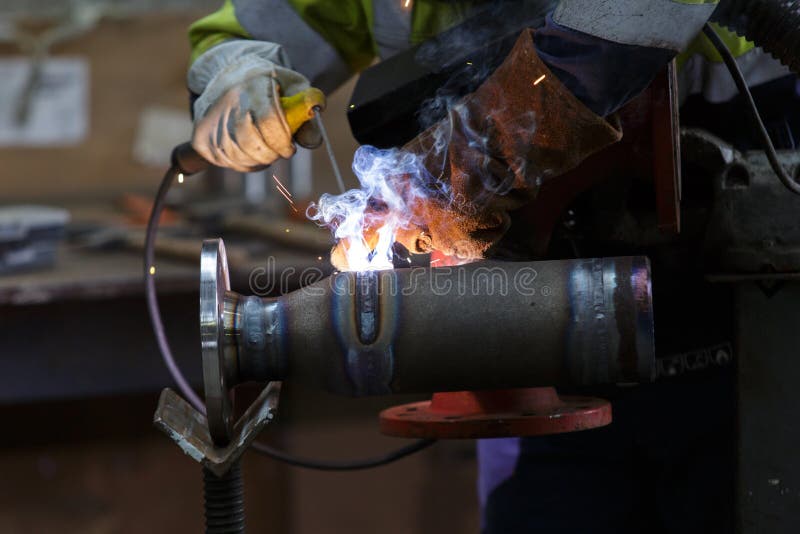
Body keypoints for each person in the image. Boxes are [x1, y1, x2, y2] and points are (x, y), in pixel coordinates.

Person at [185, 1, 799, 532]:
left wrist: (462, 167)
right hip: (553, 356)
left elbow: (613, 38)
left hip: (752, 336)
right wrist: (237, 73)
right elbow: (243, 31)